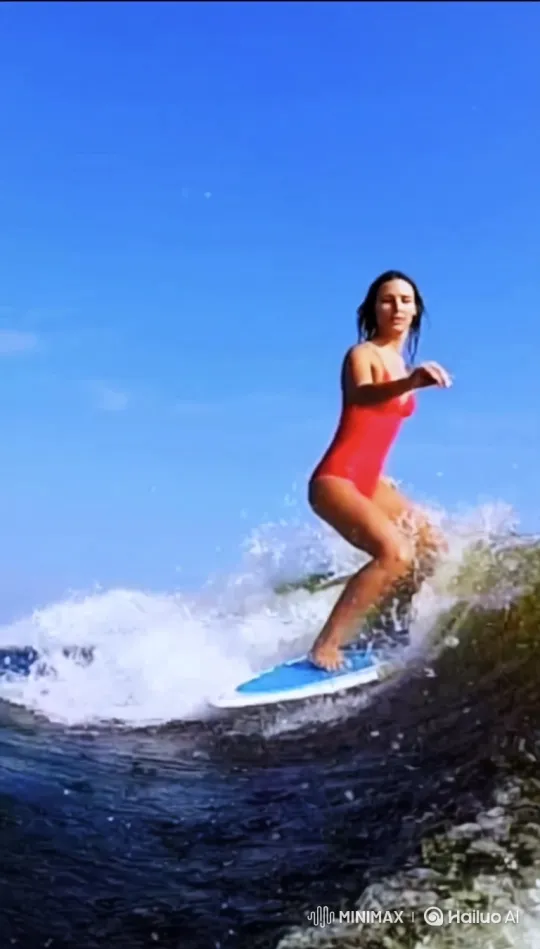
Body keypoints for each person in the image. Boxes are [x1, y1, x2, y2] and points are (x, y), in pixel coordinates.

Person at [307, 270, 452, 671]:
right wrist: (409, 383)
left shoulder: (400, 362)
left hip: (369, 481)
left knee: (432, 549)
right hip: (335, 479)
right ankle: (325, 646)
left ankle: (389, 626)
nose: (397, 307)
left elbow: (377, 432)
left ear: (416, 310)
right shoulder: (363, 355)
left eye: (406, 300)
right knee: (394, 553)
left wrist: (381, 474)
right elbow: (363, 397)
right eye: (387, 300)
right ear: (373, 308)